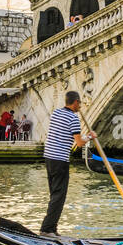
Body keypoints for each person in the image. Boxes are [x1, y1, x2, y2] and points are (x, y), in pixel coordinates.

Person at [42, 91, 93, 236]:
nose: (80, 106)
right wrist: (90, 137)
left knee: (54, 194)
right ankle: (46, 229)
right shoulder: (73, 118)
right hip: (60, 159)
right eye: (80, 103)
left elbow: (67, 135)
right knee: (59, 195)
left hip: (49, 157)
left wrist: (85, 137)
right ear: (76, 102)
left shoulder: (56, 113)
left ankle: (52, 228)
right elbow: (79, 142)